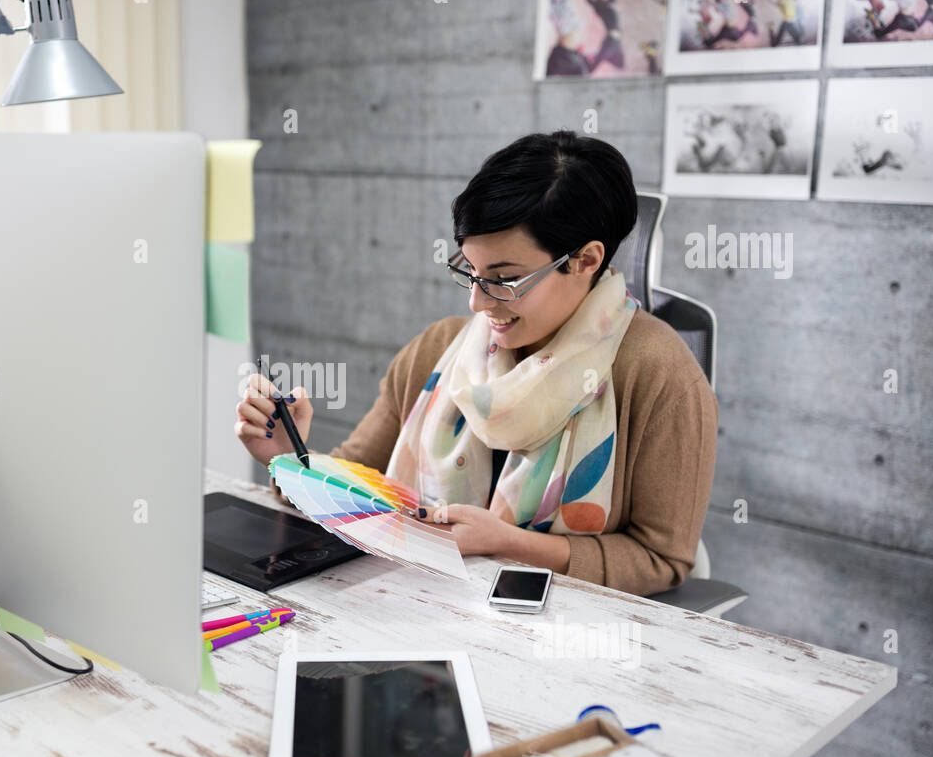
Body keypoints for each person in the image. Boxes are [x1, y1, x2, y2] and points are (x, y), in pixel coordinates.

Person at [235, 132, 718, 596]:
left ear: (586, 260)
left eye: (504, 279)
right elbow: (355, 489)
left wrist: (511, 544)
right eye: (469, 271)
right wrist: (288, 457)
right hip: (425, 618)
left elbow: (662, 559)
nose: (477, 304)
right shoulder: (438, 349)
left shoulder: (657, 375)